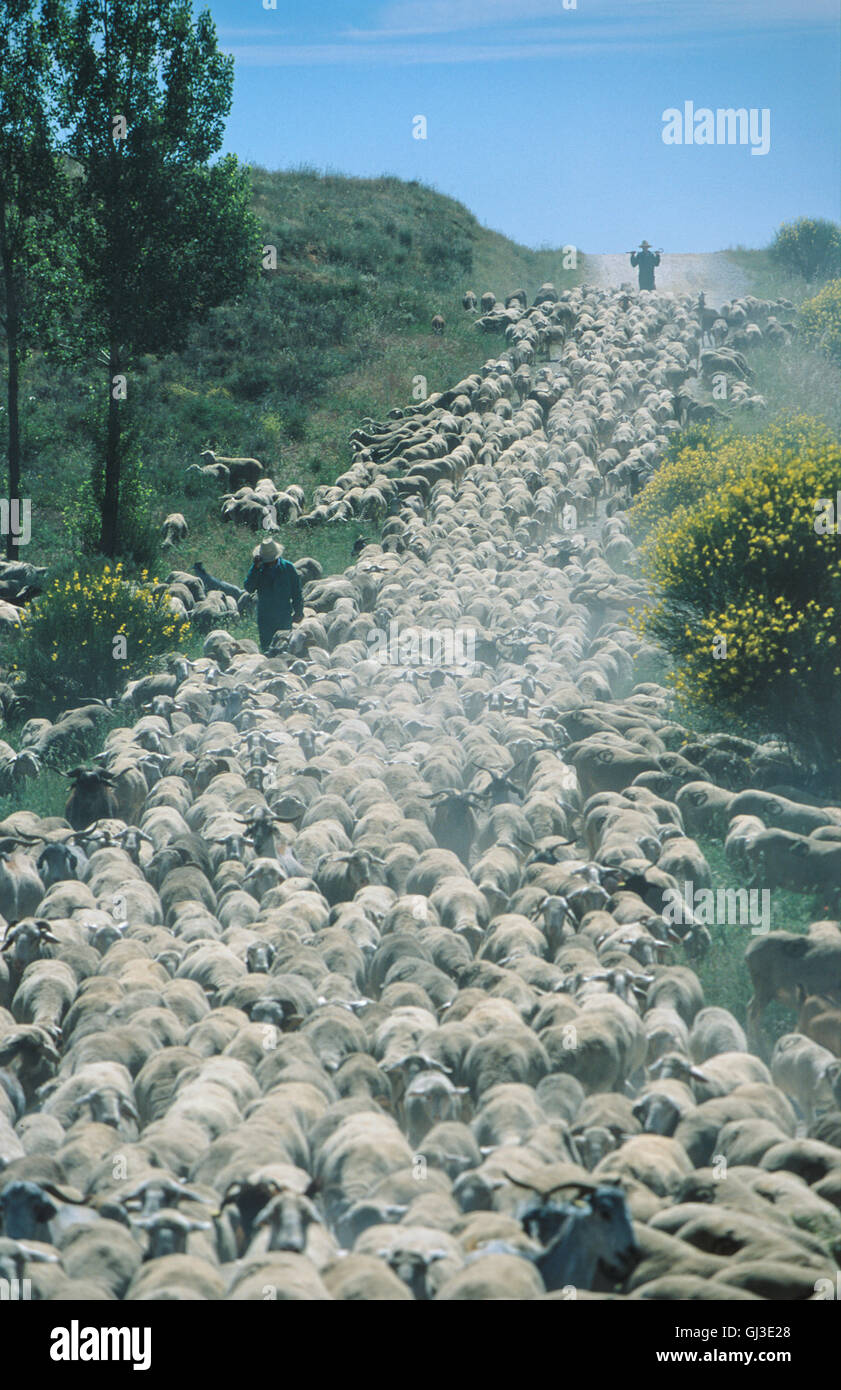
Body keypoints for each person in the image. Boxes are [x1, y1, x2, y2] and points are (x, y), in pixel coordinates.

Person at [243, 538, 303, 652]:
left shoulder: (288, 568)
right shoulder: (259, 570)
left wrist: (299, 611)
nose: (268, 563)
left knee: (284, 648)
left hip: (284, 616)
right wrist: (255, 569)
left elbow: (296, 592)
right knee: (267, 650)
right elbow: (249, 587)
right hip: (265, 618)